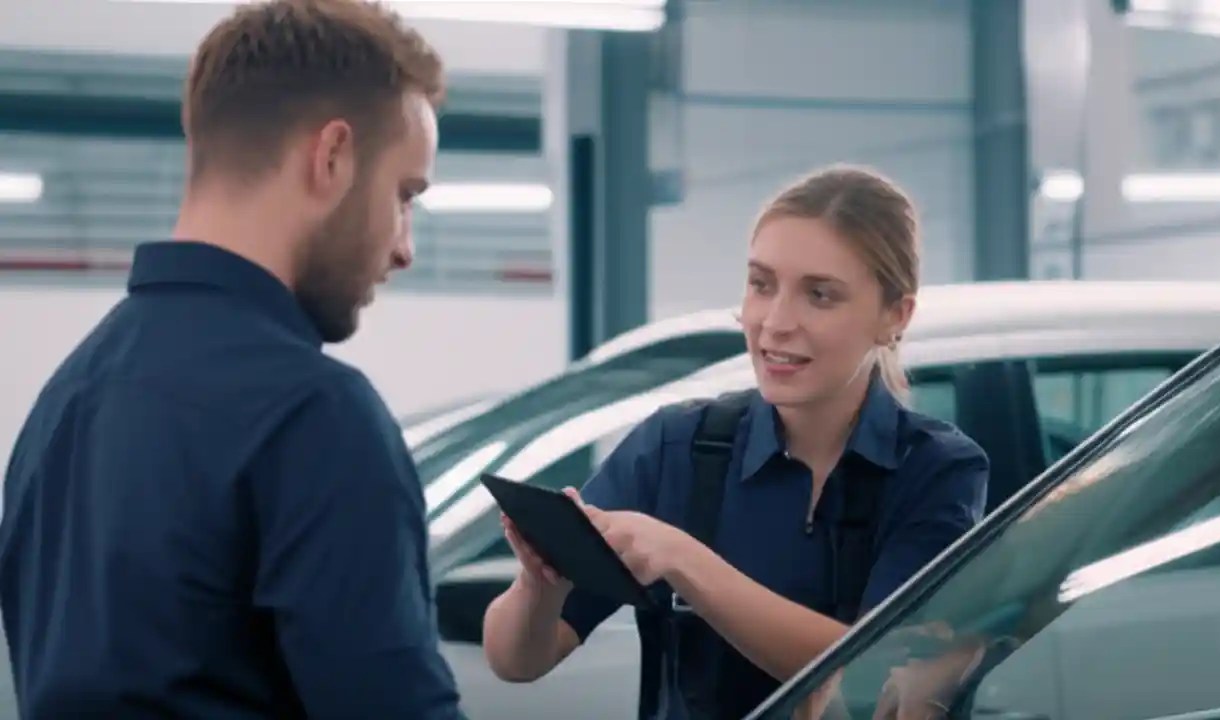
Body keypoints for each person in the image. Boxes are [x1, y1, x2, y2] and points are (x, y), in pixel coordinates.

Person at [0, 1, 463, 717]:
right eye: (404, 196)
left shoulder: (66, 402)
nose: (405, 246)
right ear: (332, 157)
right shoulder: (313, 415)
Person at [481, 164, 991, 720]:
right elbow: (517, 660)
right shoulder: (676, 448)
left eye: (819, 295)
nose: (775, 322)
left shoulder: (936, 471)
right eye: (761, 284)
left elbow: (876, 685)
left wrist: (683, 560)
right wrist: (540, 585)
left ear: (895, 315)